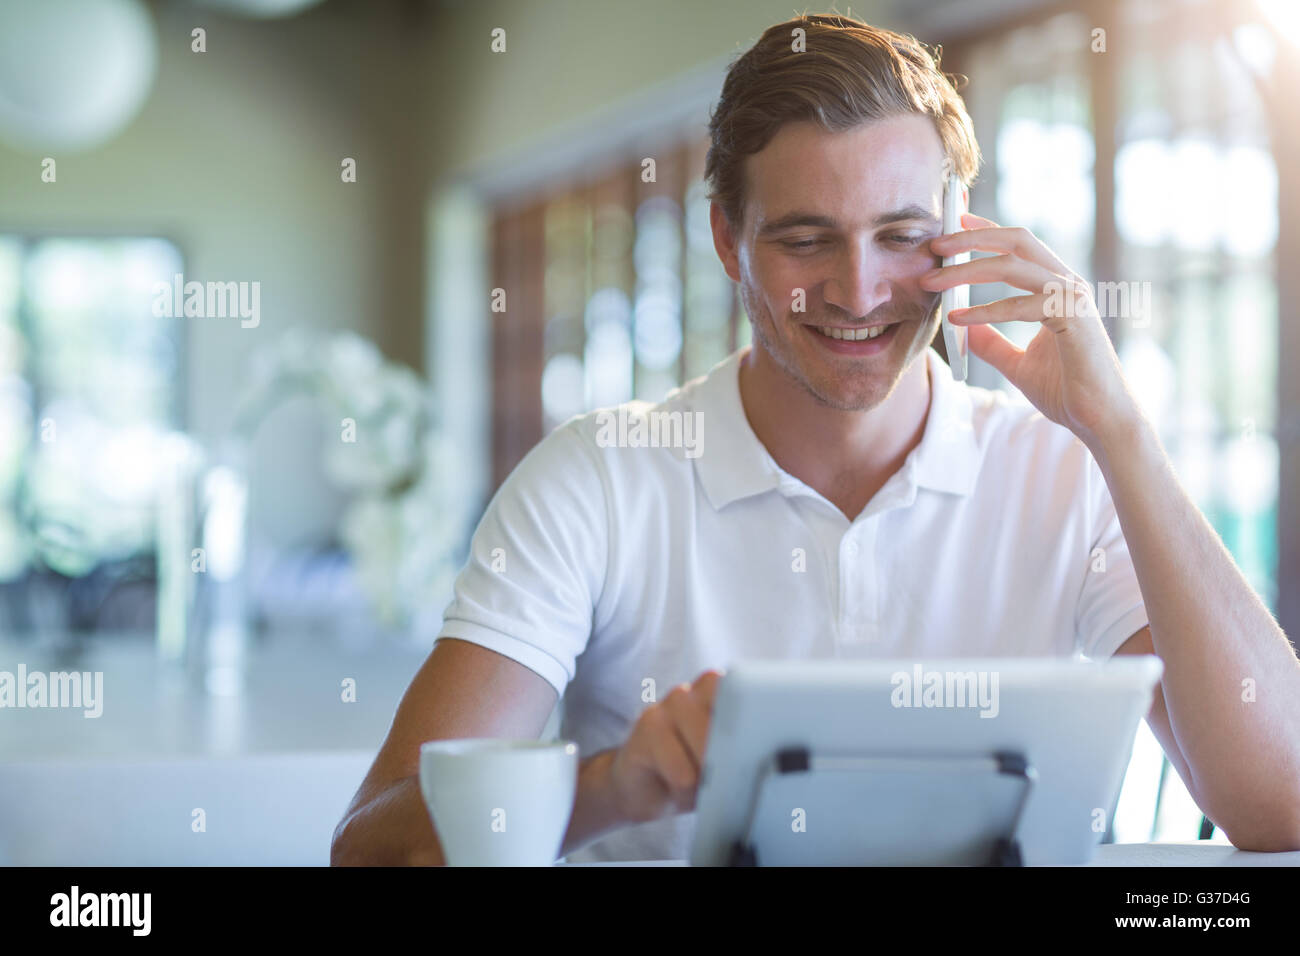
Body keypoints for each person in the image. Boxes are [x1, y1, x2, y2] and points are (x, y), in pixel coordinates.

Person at [331, 13, 1300, 865]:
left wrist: (1120, 430)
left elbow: (1283, 803)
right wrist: (616, 785)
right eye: (804, 239)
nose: (859, 289)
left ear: (959, 229)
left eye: (901, 233)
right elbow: (371, 846)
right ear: (726, 242)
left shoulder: (1065, 467)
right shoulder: (595, 479)